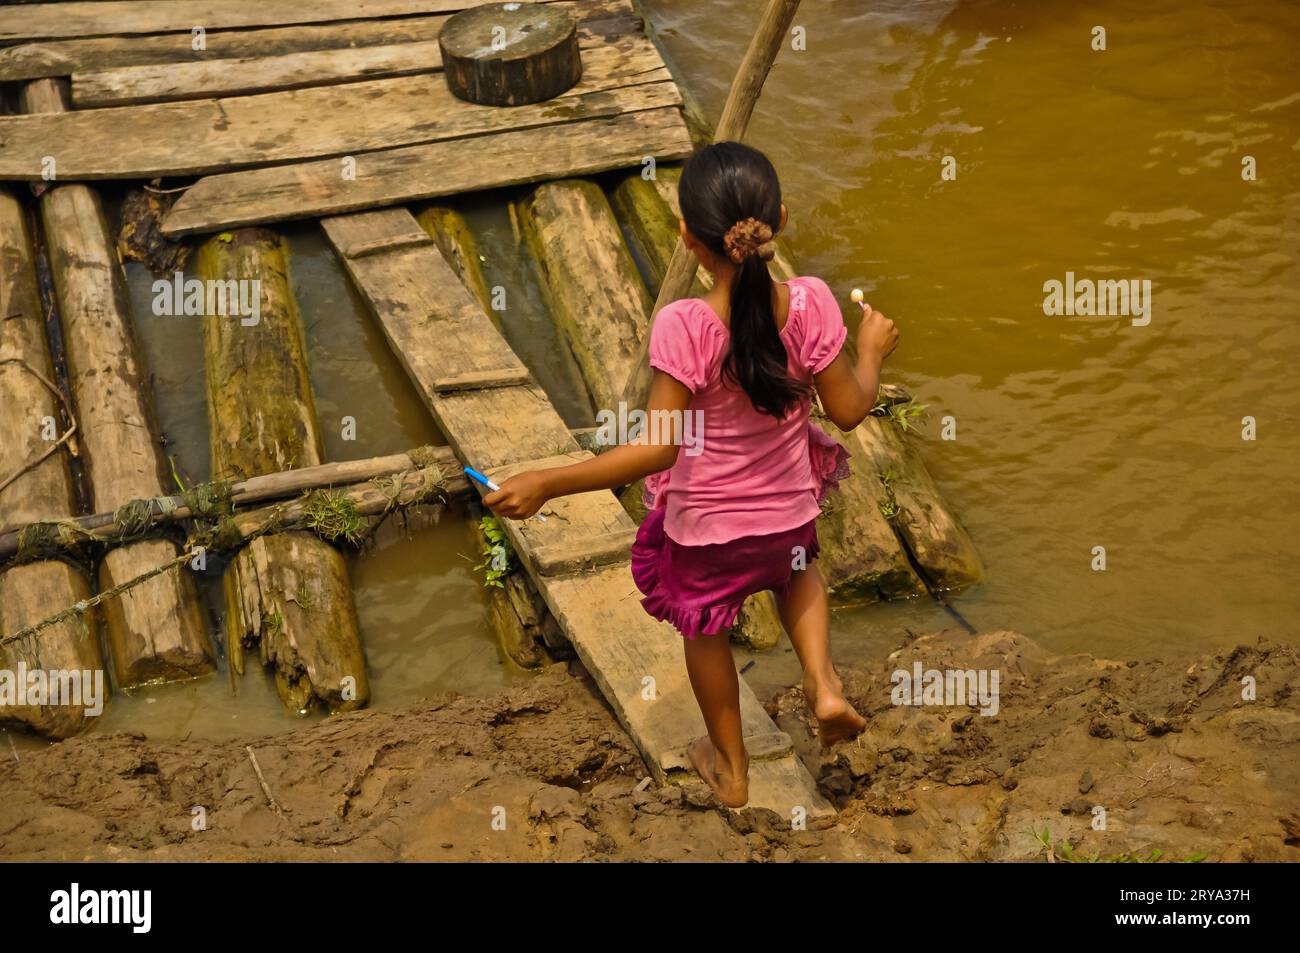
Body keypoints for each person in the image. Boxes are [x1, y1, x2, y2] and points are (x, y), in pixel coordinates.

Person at [483, 141, 899, 807]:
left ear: (687, 235)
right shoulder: (814, 303)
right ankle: (823, 684)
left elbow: (656, 452)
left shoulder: (686, 325)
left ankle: (732, 771)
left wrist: (548, 480)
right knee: (797, 575)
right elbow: (850, 409)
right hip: (789, 517)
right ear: (780, 219)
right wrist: (870, 350)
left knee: (704, 629)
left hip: (709, 534)